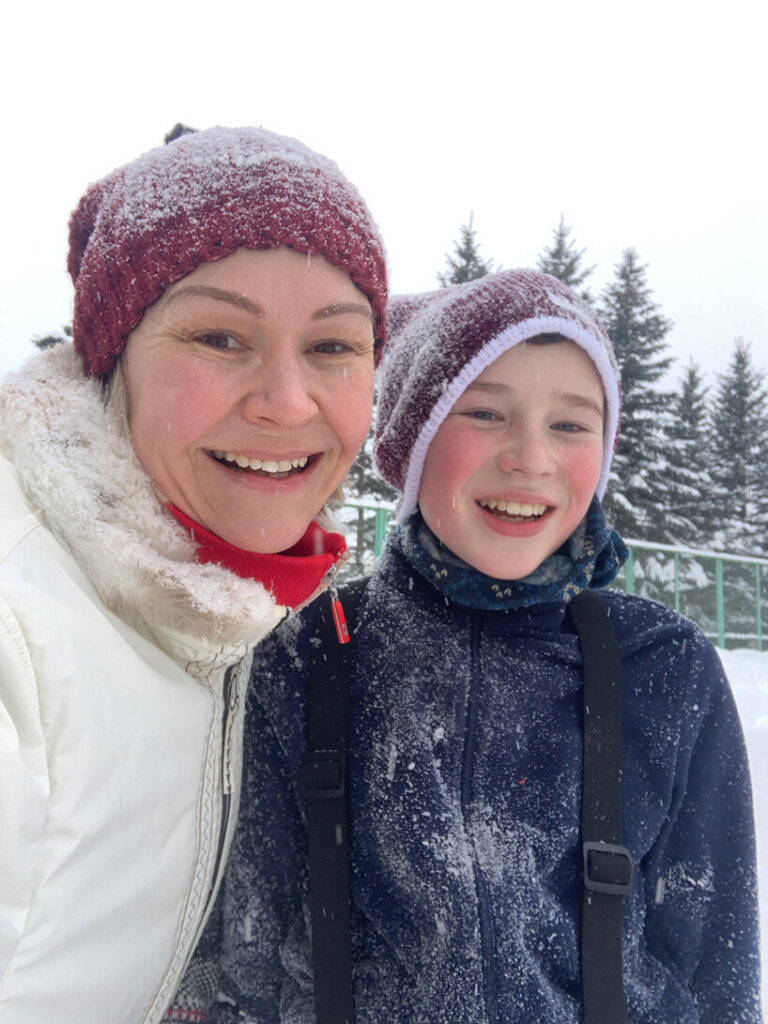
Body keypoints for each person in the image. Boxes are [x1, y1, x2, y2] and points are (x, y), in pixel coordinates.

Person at [180, 268, 762, 1022]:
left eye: (571, 424)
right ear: (413, 443)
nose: (530, 456)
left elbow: (718, 973)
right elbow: (240, 961)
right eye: (485, 413)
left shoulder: (665, 669)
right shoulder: (308, 655)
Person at [0, 125, 387, 1023]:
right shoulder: (21, 617)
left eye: (333, 348)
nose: (288, 403)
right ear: (112, 358)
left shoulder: (250, 611)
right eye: (219, 336)